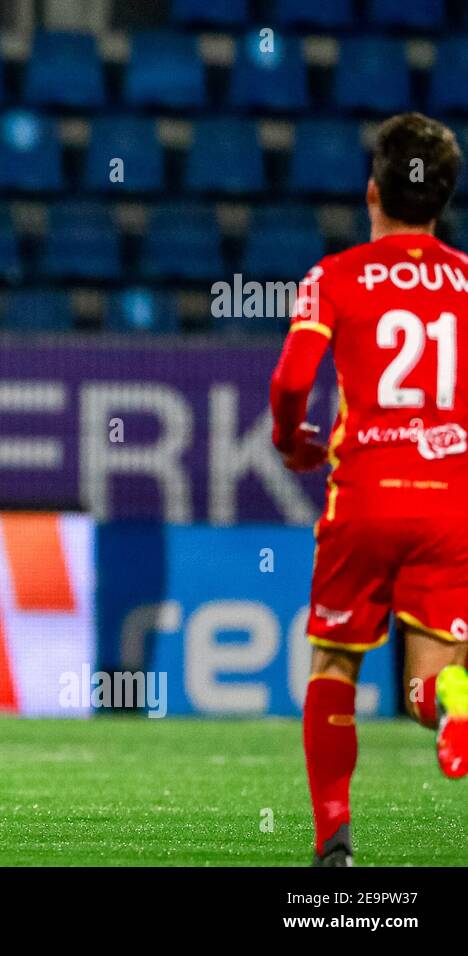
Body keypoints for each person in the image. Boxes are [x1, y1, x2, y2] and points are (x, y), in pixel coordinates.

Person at [271, 112, 468, 866]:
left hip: (365, 497)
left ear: (372, 193)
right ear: (442, 200)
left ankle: (334, 846)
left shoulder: (337, 277)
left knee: (333, 666)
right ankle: (455, 707)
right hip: (449, 503)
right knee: (427, 691)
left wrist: (292, 443)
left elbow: (292, 380)